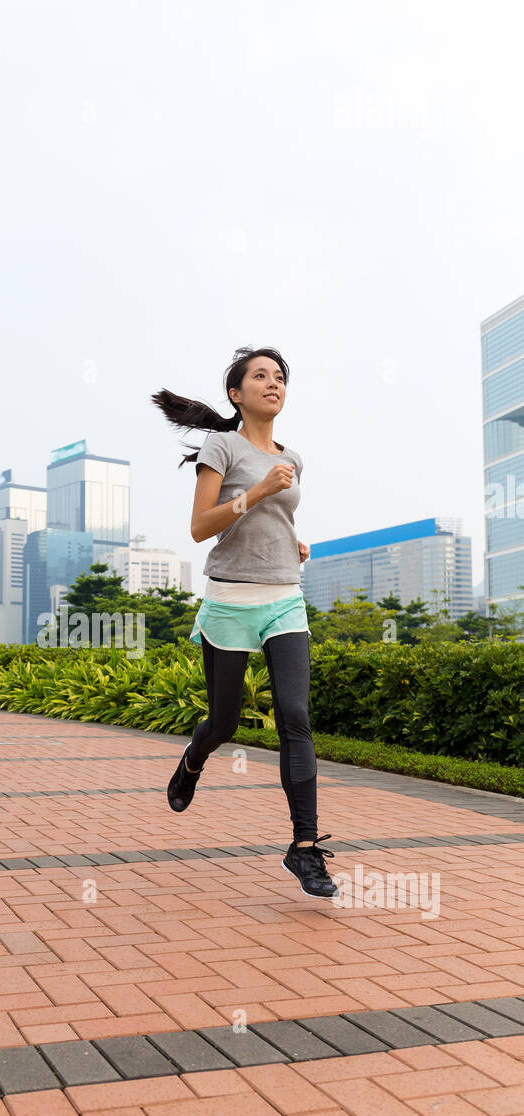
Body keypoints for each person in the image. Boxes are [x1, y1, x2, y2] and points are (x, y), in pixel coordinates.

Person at [151, 345, 336, 899]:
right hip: (230, 601)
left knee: (295, 715)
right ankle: (193, 757)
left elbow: (274, 516)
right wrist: (258, 491)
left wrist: (289, 541)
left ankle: (304, 849)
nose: (273, 383)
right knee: (225, 723)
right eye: (260, 376)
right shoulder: (222, 445)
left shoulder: (293, 457)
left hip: (284, 598)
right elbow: (200, 527)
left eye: (280, 377)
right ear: (237, 394)